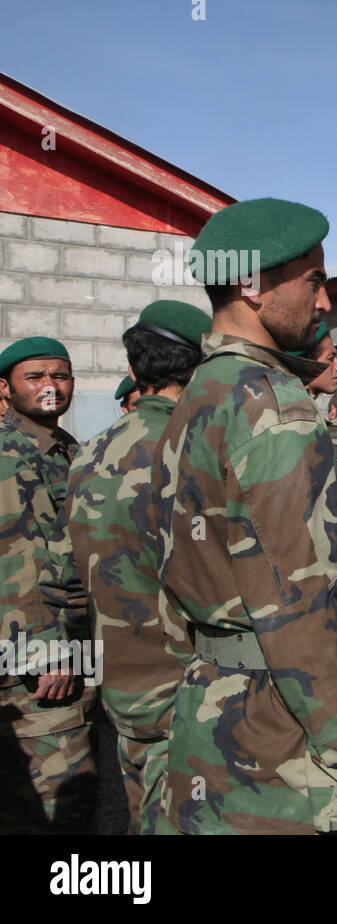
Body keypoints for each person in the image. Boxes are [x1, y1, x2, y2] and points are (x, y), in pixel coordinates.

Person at [153, 197, 337, 834]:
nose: (326, 303)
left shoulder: (201, 392)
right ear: (249, 285)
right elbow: (302, 605)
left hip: (212, 709)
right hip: (284, 742)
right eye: (314, 280)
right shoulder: (271, 407)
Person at [40, 301, 211, 834]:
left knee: (143, 811)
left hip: (122, 681)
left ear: (136, 371)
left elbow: (67, 570)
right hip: (188, 684)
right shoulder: (191, 447)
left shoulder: (88, 452)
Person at [0, 337, 96, 833]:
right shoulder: (11, 451)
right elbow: (19, 557)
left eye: (60, 376)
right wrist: (48, 649)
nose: (50, 387)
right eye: (34, 377)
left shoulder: (65, 449)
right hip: (35, 663)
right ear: (6, 388)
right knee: (63, 803)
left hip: (54, 648)